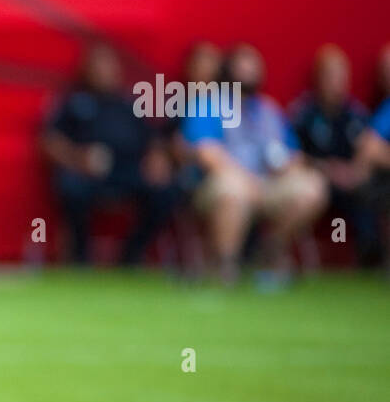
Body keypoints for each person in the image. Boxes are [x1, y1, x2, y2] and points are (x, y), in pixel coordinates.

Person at [182, 42, 326, 283]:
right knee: (232, 188)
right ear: (228, 70)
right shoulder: (209, 104)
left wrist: (288, 167)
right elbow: (207, 154)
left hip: (268, 183)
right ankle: (224, 265)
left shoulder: (270, 110)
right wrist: (247, 181)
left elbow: (292, 154)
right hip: (221, 184)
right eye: (243, 66)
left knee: (312, 188)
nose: (249, 72)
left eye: (254, 67)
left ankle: (270, 250)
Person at [40, 42, 179, 266]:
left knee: (166, 191)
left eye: (108, 65)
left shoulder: (130, 104)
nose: (104, 71)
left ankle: (132, 254)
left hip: (129, 170)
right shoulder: (73, 102)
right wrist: (77, 158)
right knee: (69, 186)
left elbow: (154, 139)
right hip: (87, 171)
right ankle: (80, 255)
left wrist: (157, 159)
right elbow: (50, 141)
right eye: (98, 65)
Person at [289, 44, 384, 265]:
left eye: (342, 76)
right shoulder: (304, 113)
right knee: (309, 192)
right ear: (318, 77)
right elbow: (293, 155)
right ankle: (310, 260)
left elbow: (366, 148)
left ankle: (368, 255)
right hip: (316, 177)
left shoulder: (355, 113)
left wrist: (356, 171)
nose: (337, 82)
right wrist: (326, 169)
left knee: (368, 194)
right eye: (331, 75)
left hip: (351, 180)